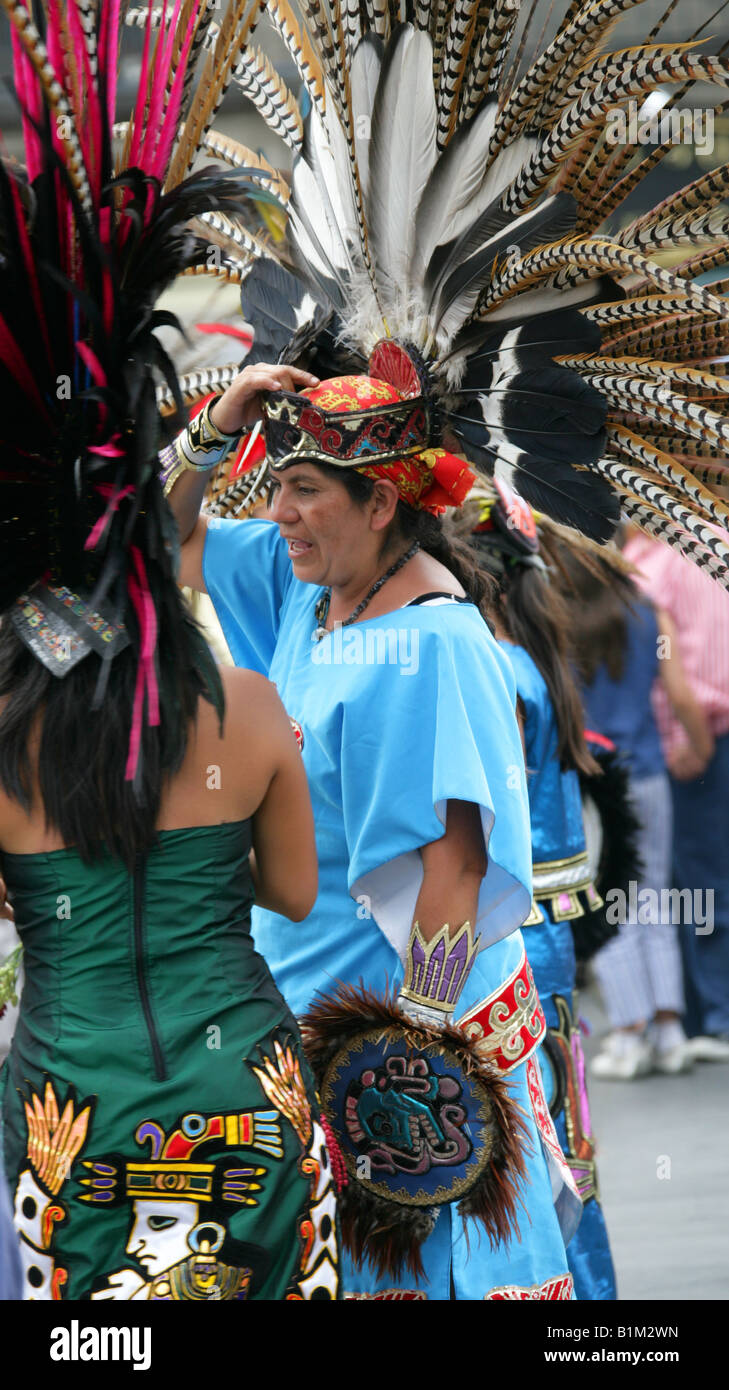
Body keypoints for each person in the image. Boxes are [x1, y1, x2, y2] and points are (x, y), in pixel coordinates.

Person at [0, 2, 340, 1302]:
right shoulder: (250, 709)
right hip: (236, 1090)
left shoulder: (10, 725)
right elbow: (297, 895)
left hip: (67, 1108)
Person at [165, 358, 584, 1301]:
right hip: (299, 1011)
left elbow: (457, 871)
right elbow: (160, 538)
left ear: (381, 503)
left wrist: (409, 1056)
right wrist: (217, 425)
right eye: (275, 491)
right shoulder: (301, 590)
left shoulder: (438, 643)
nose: (278, 515)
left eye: (305, 491)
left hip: (398, 1038)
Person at [460, 481, 617, 1301]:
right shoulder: (528, 659)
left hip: (518, 941)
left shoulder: (489, 668)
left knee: (541, 1155)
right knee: (563, 1153)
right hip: (545, 936)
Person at [562, 542, 713, 1078]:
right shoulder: (647, 611)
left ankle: (629, 1034)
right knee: (654, 900)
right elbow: (677, 690)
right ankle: (670, 1030)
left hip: (592, 779)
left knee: (605, 896)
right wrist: (699, 747)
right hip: (648, 770)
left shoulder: (558, 618)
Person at [621, 531, 729, 1060]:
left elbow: (674, 675)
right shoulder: (716, 543)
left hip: (689, 738)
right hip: (705, 732)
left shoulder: (650, 564)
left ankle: (711, 1013)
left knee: (695, 883)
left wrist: (692, 736)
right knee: (699, 881)